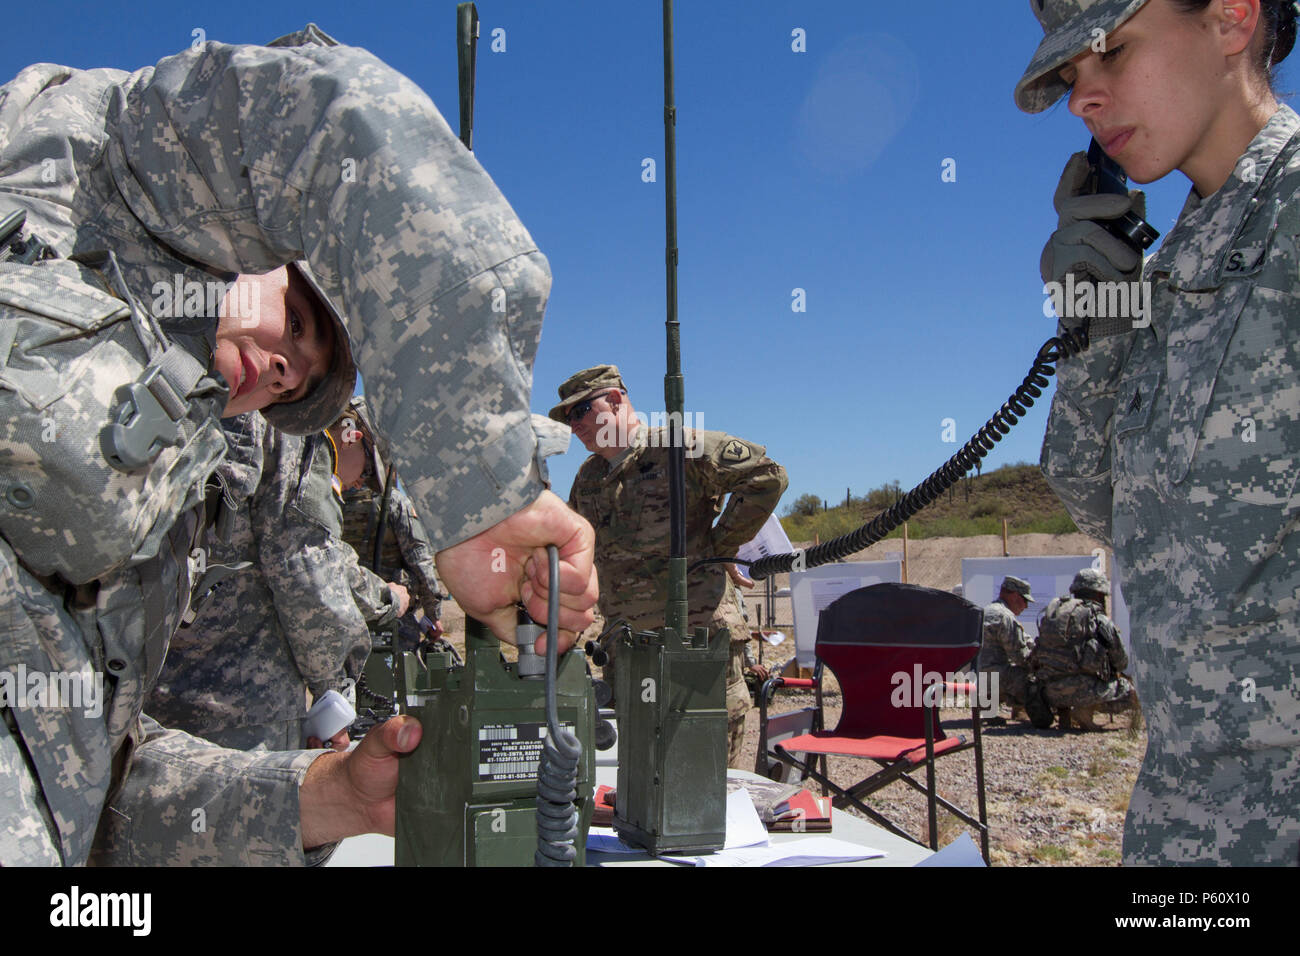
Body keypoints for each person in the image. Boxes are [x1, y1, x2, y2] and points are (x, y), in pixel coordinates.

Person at [0, 25, 596, 865]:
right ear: (244, 247)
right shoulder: (80, 201)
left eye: (294, 383)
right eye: (298, 324)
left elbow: (89, 782)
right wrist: (482, 485)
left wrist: (326, 796)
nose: (281, 369)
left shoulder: (164, 503)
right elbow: (331, 123)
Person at [1019, 0, 1300, 863]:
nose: (1083, 98)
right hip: (1185, 820)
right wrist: (1096, 323)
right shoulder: (1171, 262)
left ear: (1230, 19)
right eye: (1071, 76)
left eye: (1110, 53)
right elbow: (1102, 503)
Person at [554, 365, 788, 768]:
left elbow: (766, 477)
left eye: (581, 411)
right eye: (567, 418)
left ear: (615, 399)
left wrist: (722, 545)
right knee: (640, 775)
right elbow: (576, 550)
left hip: (695, 642)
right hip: (627, 650)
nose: (574, 425)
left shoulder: (678, 447)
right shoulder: (588, 479)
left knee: (708, 779)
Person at [146, 413, 403, 753]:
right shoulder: (294, 430)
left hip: (155, 694)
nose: (360, 485)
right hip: (246, 709)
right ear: (353, 437)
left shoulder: (194, 408)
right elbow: (307, 576)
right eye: (368, 473)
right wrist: (334, 700)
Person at [330, 397, 446, 653]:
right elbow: (421, 563)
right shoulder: (394, 503)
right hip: (393, 618)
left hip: (342, 621)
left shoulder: (329, 500)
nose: (360, 482)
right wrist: (433, 614)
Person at [1028, 569, 1138, 730]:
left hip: (1049, 693)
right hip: (1085, 693)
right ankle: (1084, 711)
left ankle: (1065, 714)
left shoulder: (1055, 615)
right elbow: (1120, 662)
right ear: (1100, 594)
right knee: (1131, 692)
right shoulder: (1098, 619)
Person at [977, 575, 1035, 722]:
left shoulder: (985, 611)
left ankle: (987, 710)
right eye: (1025, 601)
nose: (1026, 606)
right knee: (1029, 675)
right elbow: (1020, 656)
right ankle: (1020, 710)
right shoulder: (1005, 617)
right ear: (1015, 596)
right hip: (994, 677)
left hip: (975, 677)